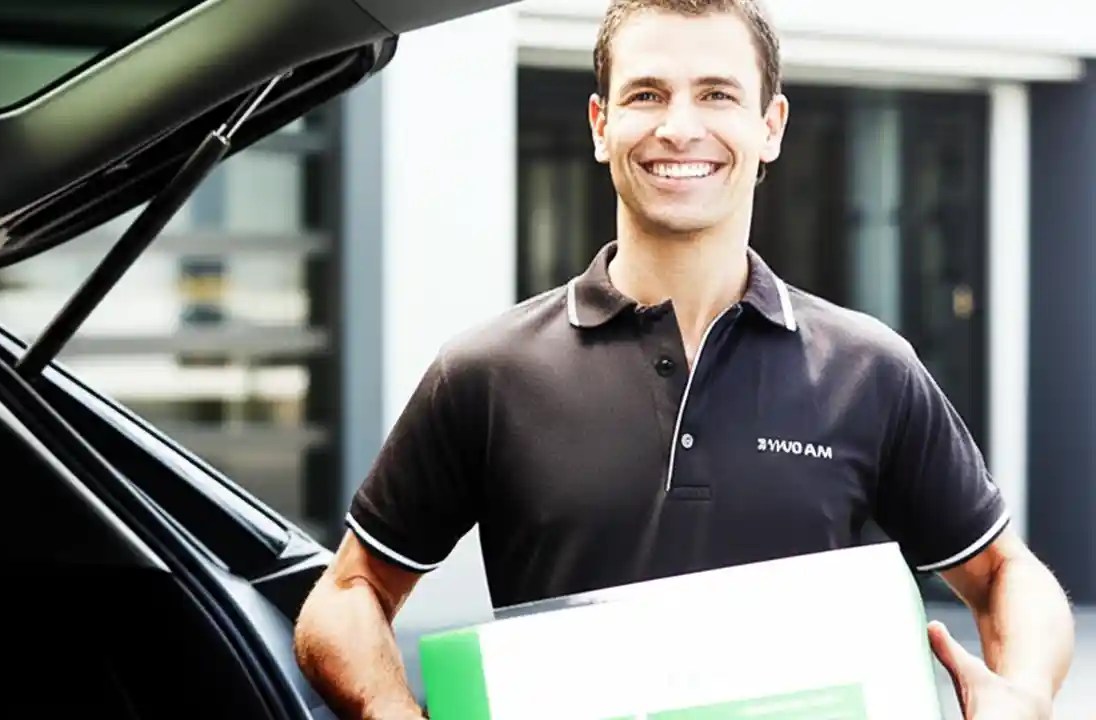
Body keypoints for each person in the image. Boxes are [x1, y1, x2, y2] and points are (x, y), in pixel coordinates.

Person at [293, 1, 1076, 717]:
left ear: (770, 125)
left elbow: (1007, 574)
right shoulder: (488, 373)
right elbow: (350, 592)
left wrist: (1025, 694)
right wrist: (392, 713)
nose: (679, 127)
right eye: (646, 94)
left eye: (716, 94)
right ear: (600, 124)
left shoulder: (870, 369)